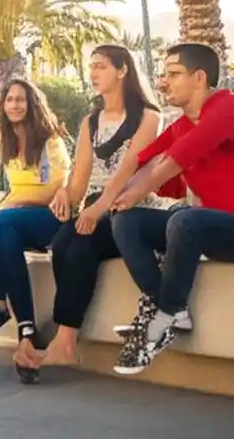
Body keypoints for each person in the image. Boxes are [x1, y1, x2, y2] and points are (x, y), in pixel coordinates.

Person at [106, 43, 234, 375]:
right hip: (210, 227)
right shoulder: (182, 125)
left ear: (199, 77)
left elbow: (178, 157)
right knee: (127, 221)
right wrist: (107, 201)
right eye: (162, 74)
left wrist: (135, 190)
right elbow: (142, 161)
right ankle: (167, 308)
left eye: (173, 74)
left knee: (184, 221)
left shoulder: (232, 108)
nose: (163, 82)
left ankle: (162, 321)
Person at [41, 45, 167, 376]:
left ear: (123, 69)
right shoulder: (90, 121)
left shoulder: (149, 117)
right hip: (95, 208)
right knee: (63, 243)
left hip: (130, 209)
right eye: (91, 67)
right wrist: (64, 195)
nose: (93, 73)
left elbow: (128, 170)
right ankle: (65, 340)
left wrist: (97, 210)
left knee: (81, 243)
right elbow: (80, 178)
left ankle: (64, 342)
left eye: (101, 66)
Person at [0, 78, 70, 384]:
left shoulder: (48, 140)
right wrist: (11, 203)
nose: (14, 105)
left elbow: (56, 189)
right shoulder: (8, 140)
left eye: (20, 100)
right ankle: (24, 327)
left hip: (52, 216)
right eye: (9, 99)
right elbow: (16, 189)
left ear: (31, 104)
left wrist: (16, 201)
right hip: (22, 218)